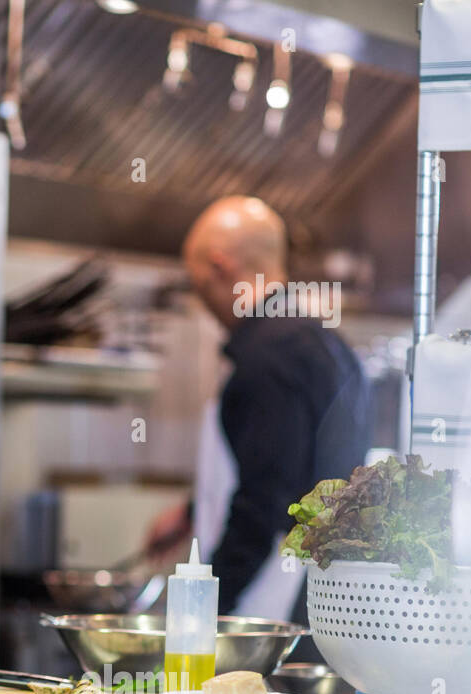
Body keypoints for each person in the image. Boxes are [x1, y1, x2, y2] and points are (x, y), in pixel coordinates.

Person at [146, 196, 371, 634]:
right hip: (323, 605)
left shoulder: (266, 358)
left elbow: (263, 504)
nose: (204, 304)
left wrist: (200, 612)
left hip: (266, 614)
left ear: (220, 267)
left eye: (197, 286)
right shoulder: (324, 342)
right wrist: (193, 509)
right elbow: (290, 463)